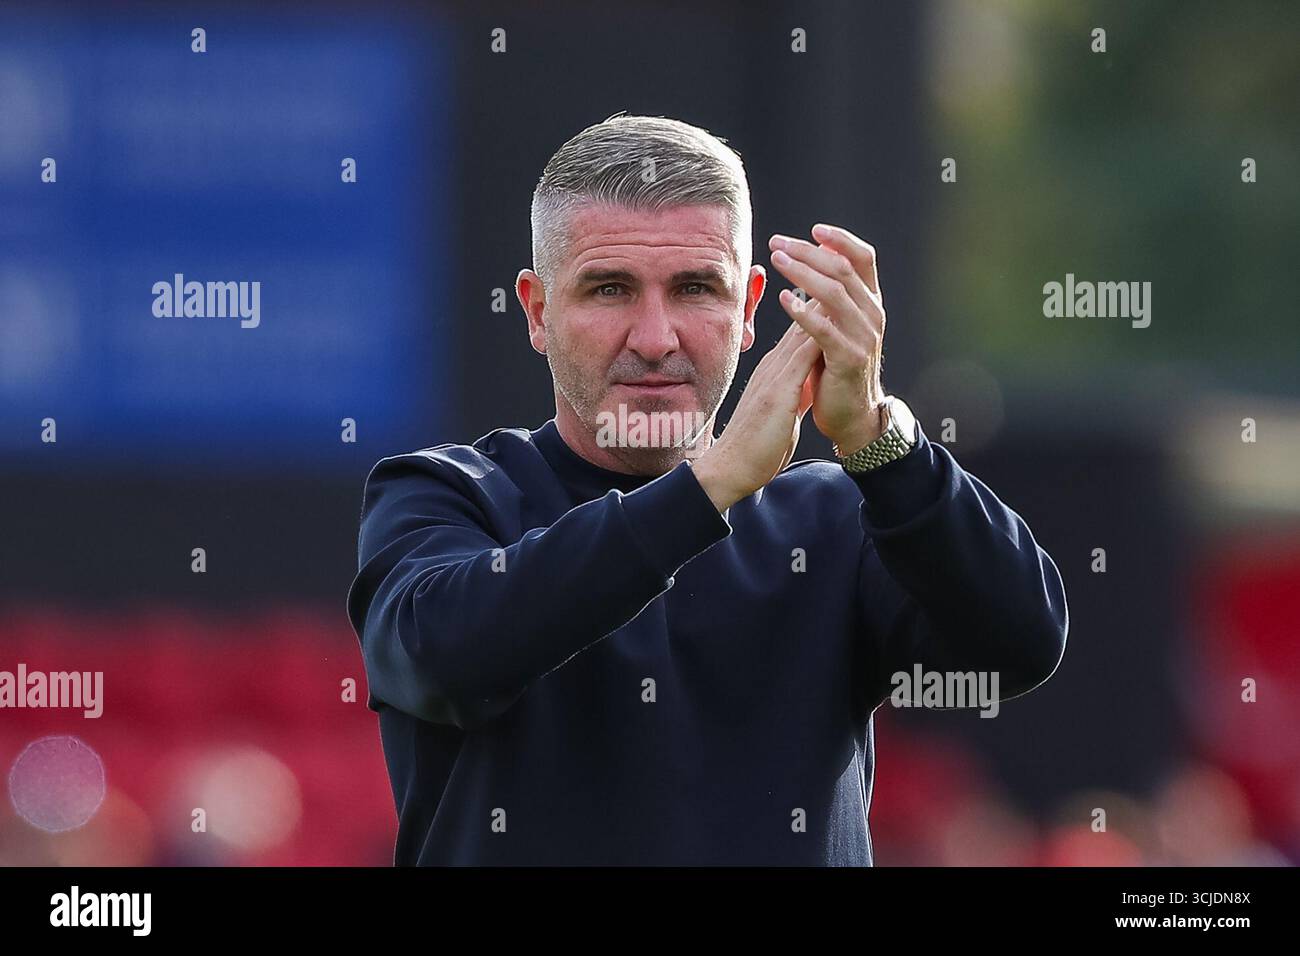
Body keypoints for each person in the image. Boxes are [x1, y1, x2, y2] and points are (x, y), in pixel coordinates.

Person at [346, 114, 1068, 865]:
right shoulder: (446, 494)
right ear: (537, 311)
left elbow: (1019, 643)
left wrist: (881, 441)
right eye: (610, 289)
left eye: (695, 288)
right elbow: (446, 656)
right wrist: (710, 485)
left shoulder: (831, 521)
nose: (655, 338)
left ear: (750, 308)